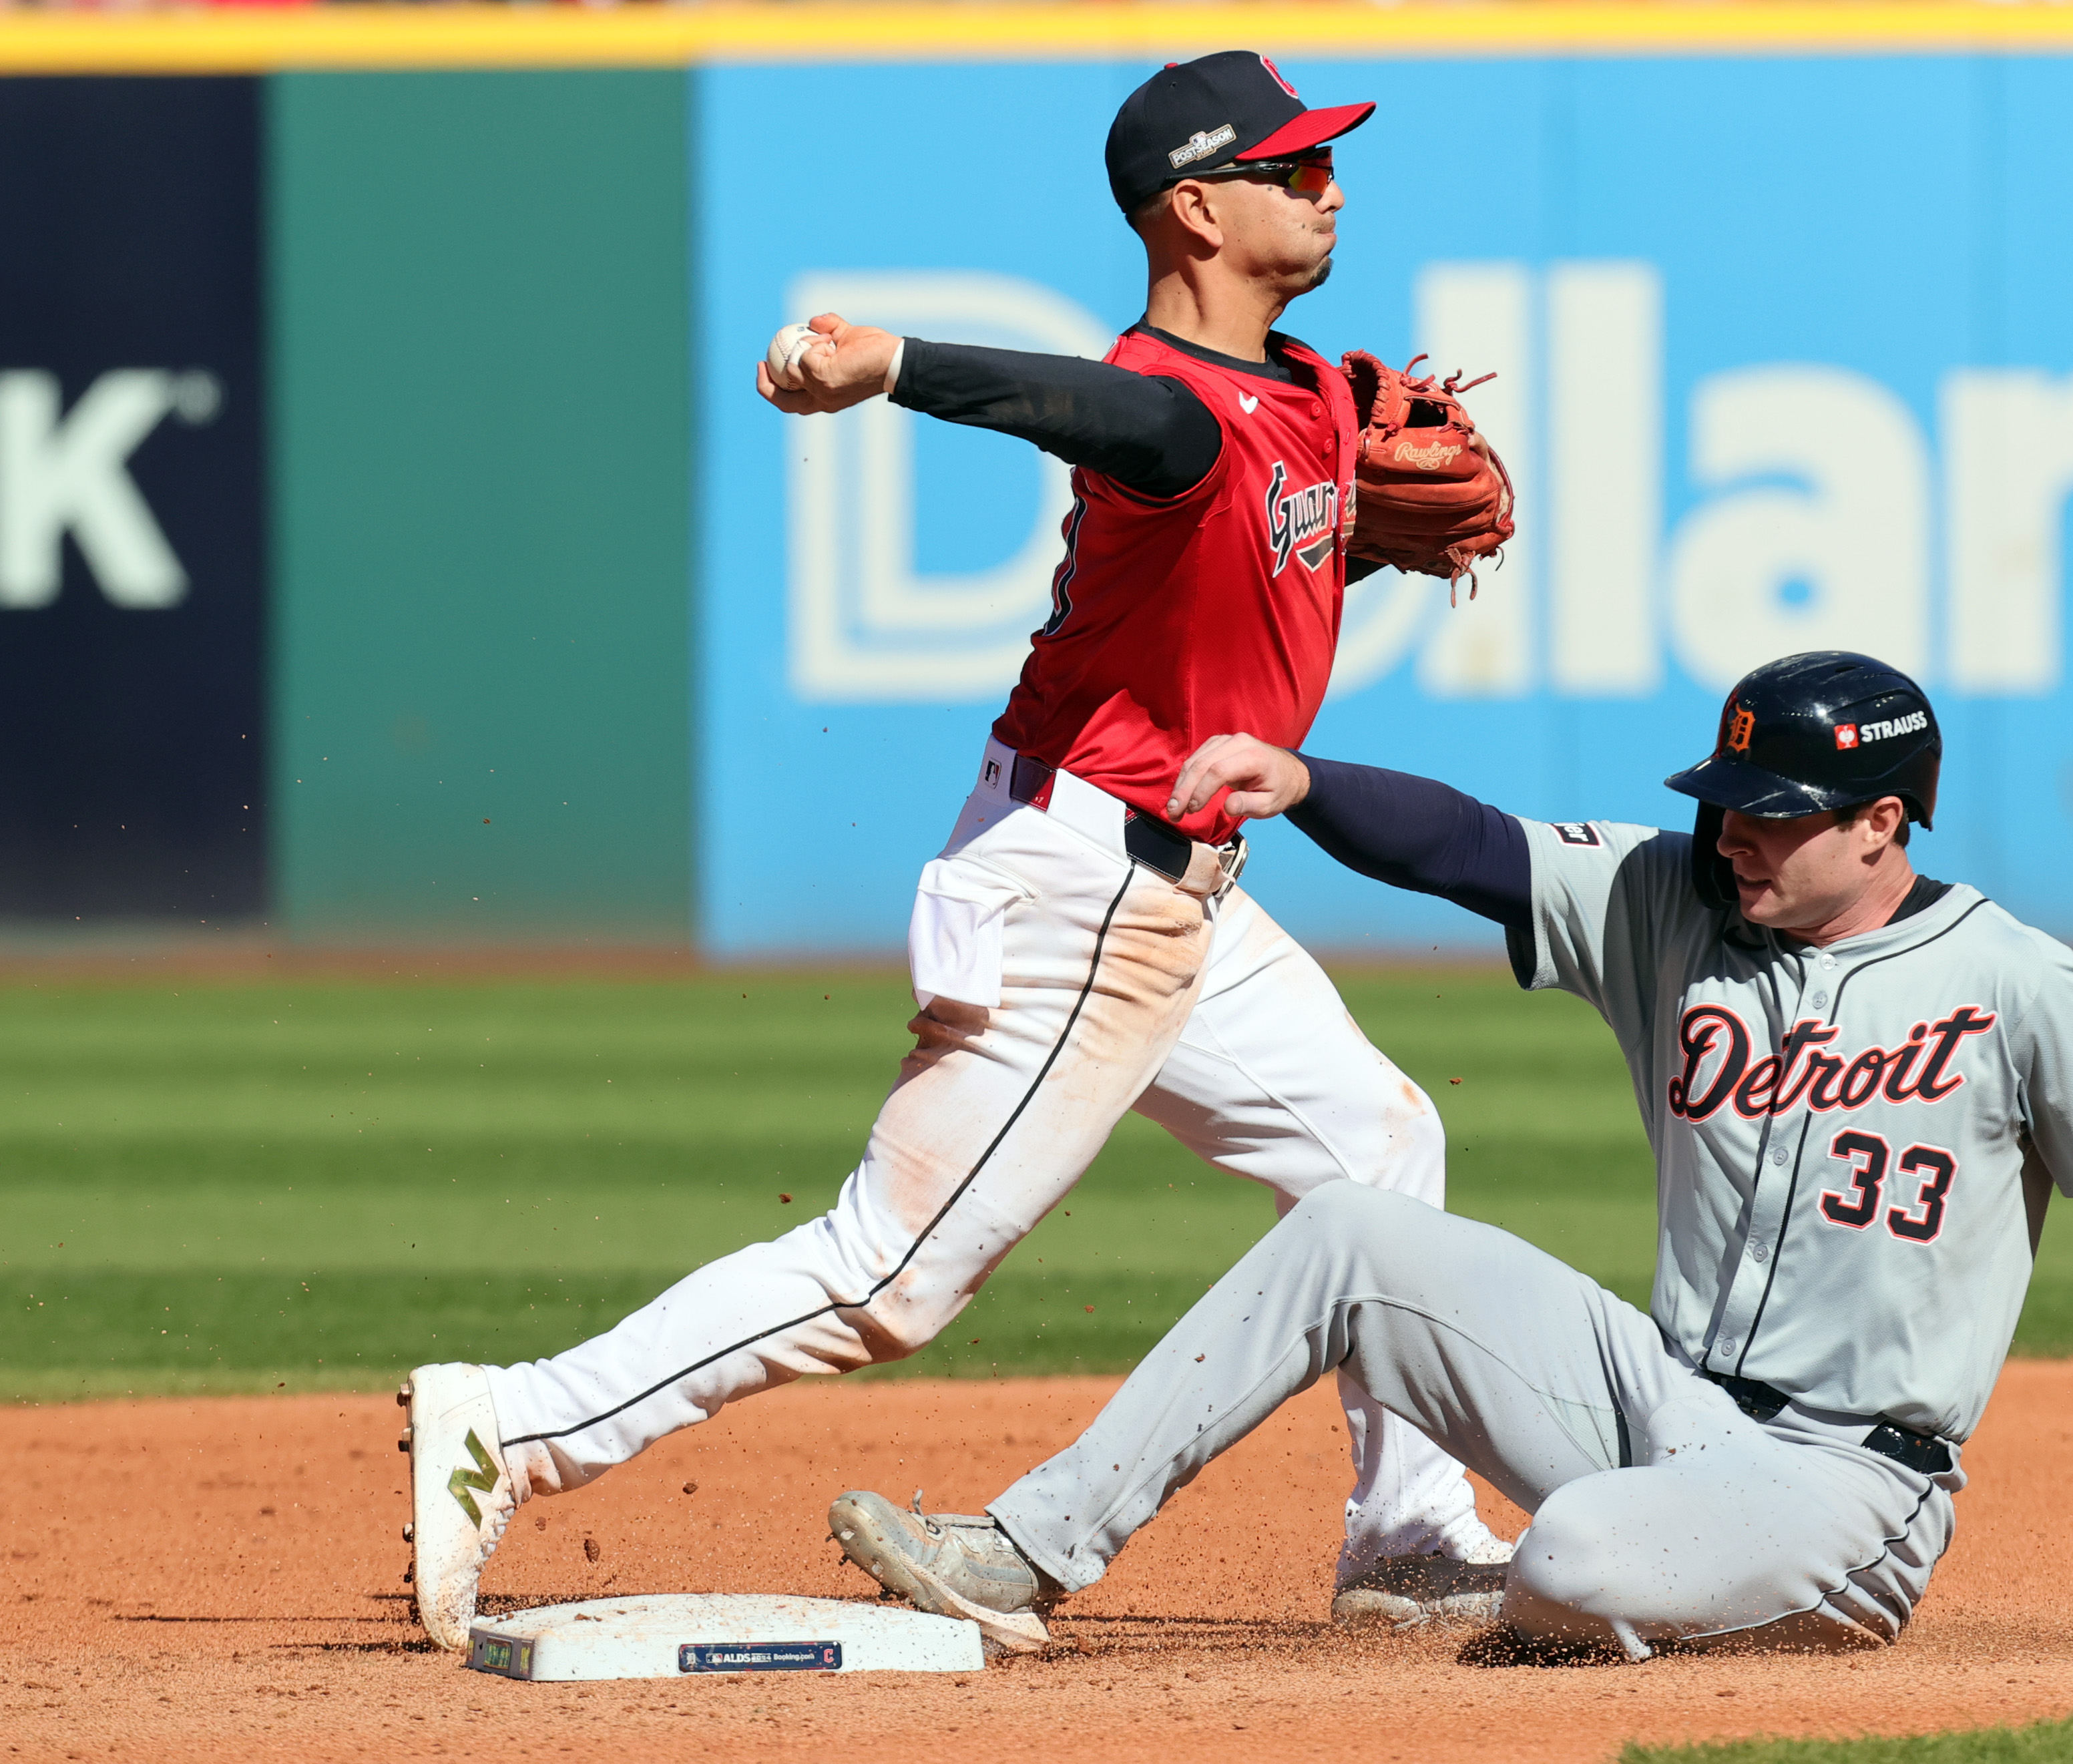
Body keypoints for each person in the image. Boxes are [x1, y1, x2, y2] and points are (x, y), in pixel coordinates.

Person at [399, 50, 1511, 1656]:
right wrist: (894, 361)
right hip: (1085, 896)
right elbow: (1092, 404)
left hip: (1178, 885)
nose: (1330, 187)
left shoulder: (1307, 397)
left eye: (1329, 164)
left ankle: (1409, 1530)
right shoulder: (1173, 411)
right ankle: (518, 1422)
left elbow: (1274, 525)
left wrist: (1353, 518)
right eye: (1296, 168)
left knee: (1382, 1149)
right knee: (891, 1276)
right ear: (1194, 209)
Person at [825, 650, 2073, 1658]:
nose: (1732, 834)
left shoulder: (2023, 985)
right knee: (1353, 1230)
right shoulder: (1676, 900)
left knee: (1576, 1558)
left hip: (1849, 1485)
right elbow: (1475, 845)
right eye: (1724, 802)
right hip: (1651, 1392)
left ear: (1884, 823)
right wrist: (1304, 781)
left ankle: (1616, 1585)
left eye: (1774, 816)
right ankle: (1026, 1551)